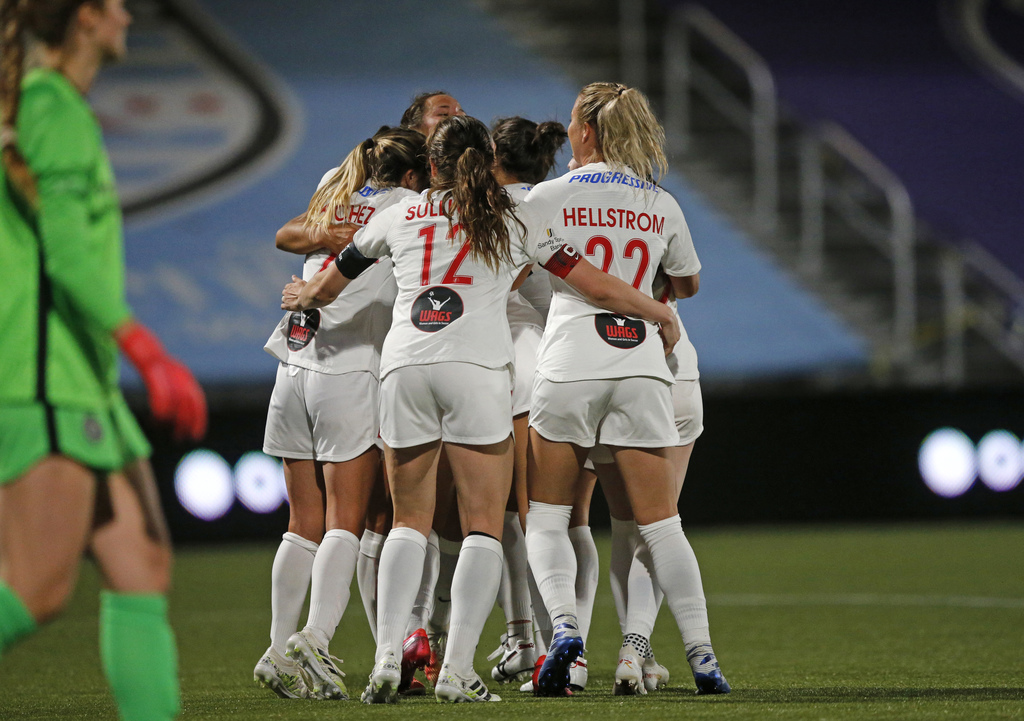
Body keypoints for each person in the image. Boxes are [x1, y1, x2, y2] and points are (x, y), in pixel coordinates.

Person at [282, 114, 679, 703]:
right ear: (485, 156)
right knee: (484, 528)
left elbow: (330, 280)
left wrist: (301, 295)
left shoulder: (399, 215)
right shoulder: (512, 217)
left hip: (404, 368)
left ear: (432, 165)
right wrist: (658, 311)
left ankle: (387, 657)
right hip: (477, 372)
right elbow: (593, 284)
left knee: (408, 523)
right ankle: (458, 669)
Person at [0, 2, 207, 720]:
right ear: (86, 18)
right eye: (116, 6)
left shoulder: (53, 107)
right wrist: (145, 350)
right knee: (35, 587)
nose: (128, 16)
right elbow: (62, 255)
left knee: (141, 567)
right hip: (44, 379)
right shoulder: (47, 106)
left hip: (80, 381)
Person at [519, 81, 729, 697]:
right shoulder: (660, 202)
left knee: (550, 517)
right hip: (641, 363)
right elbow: (687, 284)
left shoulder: (547, 196)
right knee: (660, 525)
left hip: (568, 362)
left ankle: (563, 630)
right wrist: (650, 292)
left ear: (583, 132)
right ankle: (702, 656)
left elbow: (519, 271)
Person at [254, 126, 429, 700]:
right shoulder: (409, 205)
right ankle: (316, 641)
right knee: (344, 520)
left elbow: (289, 233)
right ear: (411, 175)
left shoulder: (338, 182)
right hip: (351, 369)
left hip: (293, 361)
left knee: (300, 523)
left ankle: (278, 651)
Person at [486, 116, 566, 687]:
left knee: (525, 516)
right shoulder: (554, 204)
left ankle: (541, 641)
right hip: (564, 362)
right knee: (565, 520)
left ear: (494, 160)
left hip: (518, 361)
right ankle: (546, 640)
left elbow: (494, 287)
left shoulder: (503, 213)